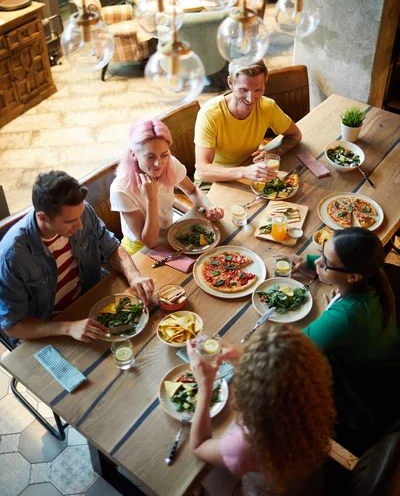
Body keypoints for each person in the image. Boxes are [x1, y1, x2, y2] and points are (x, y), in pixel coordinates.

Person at [0, 171, 154, 343]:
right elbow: (12, 326)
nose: (80, 225)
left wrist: (134, 275)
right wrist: (68, 327)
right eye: (70, 221)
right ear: (42, 217)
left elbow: (112, 247)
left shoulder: (81, 212)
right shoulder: (11, 256)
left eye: (80, 216)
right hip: (48, 328)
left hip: (89, 303)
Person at [187, 324, 336, 496]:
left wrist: (205, 386)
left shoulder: (244, 445)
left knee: (201, 476)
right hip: (307, 481)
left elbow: (198, 446)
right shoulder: (310, 397)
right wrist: (247, 363)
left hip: (266, 489)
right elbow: (280, 379)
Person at [293, 227, 400, 454]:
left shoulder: (347, 316)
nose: (319, 264)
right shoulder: (374, 273)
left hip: (358, 405)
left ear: (352, 277)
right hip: (386, 373)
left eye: (325, 262)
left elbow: (290, 351)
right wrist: (310, 261)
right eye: (321, 254)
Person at [110, 119, 224, 255]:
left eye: (164, 155)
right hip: (140, 249)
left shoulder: (170, 163)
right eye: (150, 157)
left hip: (170, 234)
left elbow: (192, 190)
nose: (159, 164)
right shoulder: (120, 189)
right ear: (133, 154)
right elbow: (150, 242)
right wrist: (151, 198)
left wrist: (209, 207)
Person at [194, 61, 302, 186]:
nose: (251, 99)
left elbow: (295, 135)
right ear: (230, 83)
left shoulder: (267, 107)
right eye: (243, 90)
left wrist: (273, 154)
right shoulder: (210, 114)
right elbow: (203, 172)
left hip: (249, 172)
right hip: (213, 182)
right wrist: (244, 172)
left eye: (258, 90)